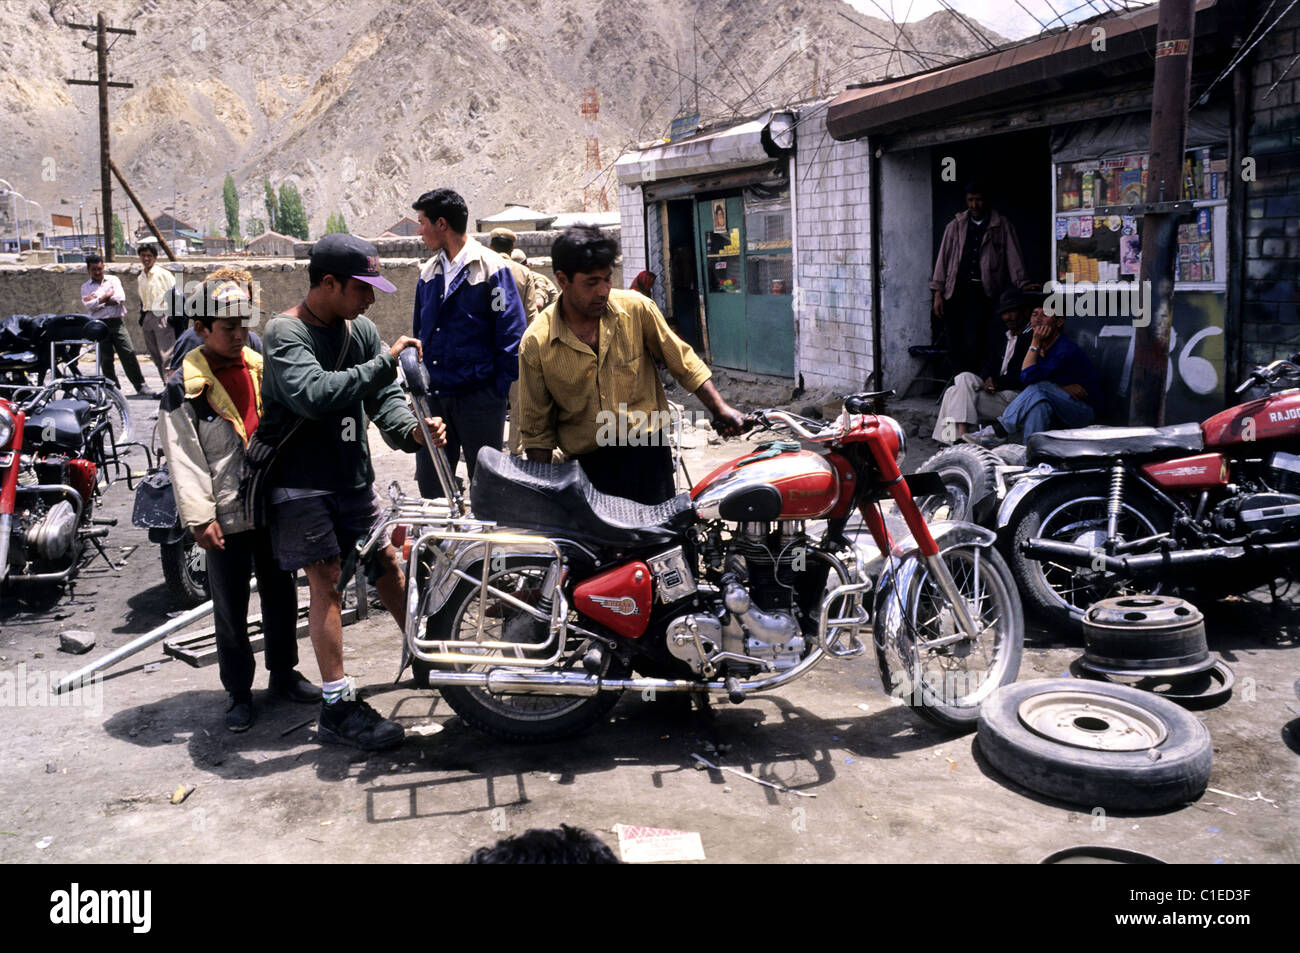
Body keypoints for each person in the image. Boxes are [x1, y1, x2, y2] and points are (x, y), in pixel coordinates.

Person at [260, 233, 446, 751]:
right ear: (328, 282)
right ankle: (338, 705)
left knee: (387, 563)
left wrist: (412, 429)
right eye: (362, 289)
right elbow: (315, 396)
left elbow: (382, 398)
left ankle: (427, 654)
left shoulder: (360, 330)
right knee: (327, 580)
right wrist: (384, 361)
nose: (370, 300)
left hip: (351, 478)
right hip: (301, 483)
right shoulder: (284, 334)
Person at [157, 271, 315, 733]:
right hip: (223, 518)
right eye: (227, 329)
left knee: (281, 594)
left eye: (243, 326)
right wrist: (201, 518)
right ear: (201, 330)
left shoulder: (261, 366)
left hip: (271, 507)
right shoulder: (184, 387)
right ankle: (238, 693)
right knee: (230, 607)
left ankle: (283, 674)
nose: (239, 335)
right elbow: (183, 458)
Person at [517, 225, 745, 505]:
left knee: (660, 543)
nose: (603, 291)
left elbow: (684, 363)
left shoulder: (637, 310)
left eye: (607, 279)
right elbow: (536, 430)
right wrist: (545, 495)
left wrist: (719, 409)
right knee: (601, 548)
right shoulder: (536, 343)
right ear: (563, 280)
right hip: (588, 468)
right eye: (591, 283)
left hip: (648, 455)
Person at [412, 189, 527, 494]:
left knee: (487, 488)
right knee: (433, 488)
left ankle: (484, 543)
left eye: (422, 222)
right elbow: (420, 333)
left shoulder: (492, 269)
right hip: (435, 401)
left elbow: (511, 335)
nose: (418, 230)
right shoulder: (427, 273)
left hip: (480, 400)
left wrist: (494, 394)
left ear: (441, 224)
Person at [963, 292, 1100, 446]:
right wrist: (1060, 388)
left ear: (1059, 322)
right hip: (1054, 407)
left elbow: (1028, 377)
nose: (1038, 319)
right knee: (1039, 406)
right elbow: (1030, 380)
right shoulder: (1039, 346)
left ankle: (999, 431)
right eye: (1035, 314)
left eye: (1045, 315)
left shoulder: (1064, 348)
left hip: (1081, 412)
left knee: (1039, 388)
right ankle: (1030, 454)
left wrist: (1034, 341)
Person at [930, 183, 1028, 374]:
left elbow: (1013, 256)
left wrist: (1022, 282)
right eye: (970, 200)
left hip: (985, 292)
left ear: (987, 200)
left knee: (980, 338)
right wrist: (938, 293)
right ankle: (960, 380)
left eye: (979, 199)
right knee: (955, 339)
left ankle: (978, 380)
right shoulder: (955, 225)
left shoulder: (1000, 225)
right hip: (956, 291)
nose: (974, 204)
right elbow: (943, 259)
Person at [932, 287, 1033, 444]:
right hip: (995, 393)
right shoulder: (1003, 337)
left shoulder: (1031, 338)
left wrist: (997, 382)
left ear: (1025, 312)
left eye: (1012, 312)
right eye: (1005, 313)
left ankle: (950, 441)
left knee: (953, 393)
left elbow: (1024, 375)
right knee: (962, 379)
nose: (1008, 317)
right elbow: (989, 364)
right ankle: (960, 437)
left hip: (1013, 399)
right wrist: (987, 378)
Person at [80, 254, 152, 396]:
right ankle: (113, 389)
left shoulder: (113, 280)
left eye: (99, 268)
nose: (97, 272)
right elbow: (89, 306)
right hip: (98, 326)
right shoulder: (85, 287)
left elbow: (119, 298)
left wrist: (97, 299)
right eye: (94, 269)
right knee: (105, 358)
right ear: (88, 270)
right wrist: (106, 297)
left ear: (103, 267)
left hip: (116, 323)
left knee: (128, 353)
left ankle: (140, 385)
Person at [168, 267, 263, 372]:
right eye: (229, 327)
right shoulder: (191, 339)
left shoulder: (252, 341)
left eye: (246, 300)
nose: (238, 336)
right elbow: (177, 378)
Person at [135, 242, 176, 388]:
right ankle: (165, 384)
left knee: (167, 355)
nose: (146, 259)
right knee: (155, 355)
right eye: (143, 255)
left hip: (163, 316)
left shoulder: (163, 275)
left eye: (149, 256)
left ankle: (171, 386)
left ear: (155, 257)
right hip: (148, 316)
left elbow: (175, 295)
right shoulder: (141, 277)